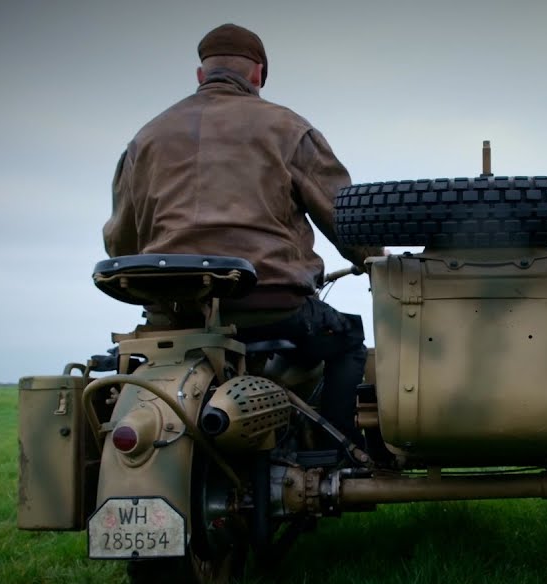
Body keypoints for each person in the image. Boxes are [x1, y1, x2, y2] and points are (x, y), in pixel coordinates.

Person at [102, 23, 380, 446]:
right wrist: (371, 259)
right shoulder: (288, 129)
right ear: (258, 74)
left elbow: (120, 241)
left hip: (176, 311)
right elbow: (345, 216)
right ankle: (335, 454)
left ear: (201, 75)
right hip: (269, 304)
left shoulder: (147, 138)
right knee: (347, 340)